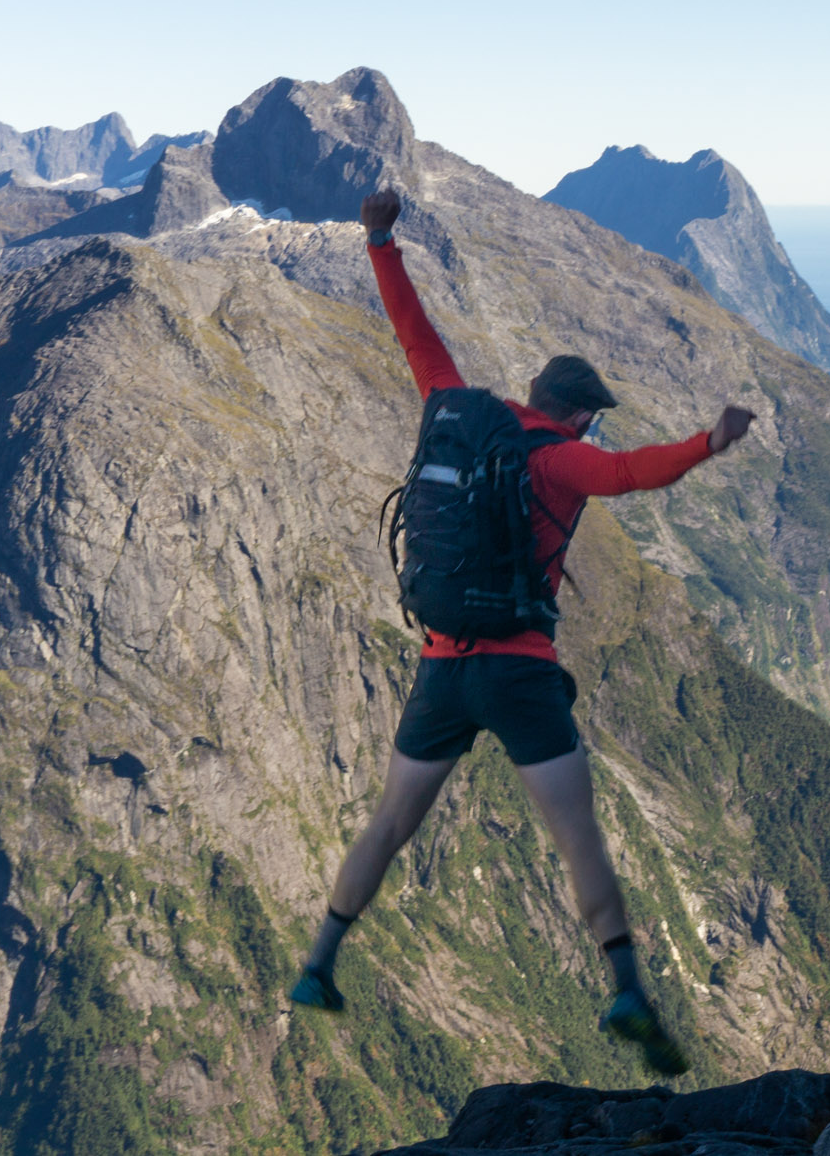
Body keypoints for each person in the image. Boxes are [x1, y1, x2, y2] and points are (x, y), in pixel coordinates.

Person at [289, 188, 753, 1076]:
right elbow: (630, 472)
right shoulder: (564, 457)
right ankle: (625, 992)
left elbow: (413, 332)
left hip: (441, 665)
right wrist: (709, 440)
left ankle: (318, 964)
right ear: (578, 411)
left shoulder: (457, 411)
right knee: (578, 832)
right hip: (521, 671)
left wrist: (381, 239)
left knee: (388, 823)